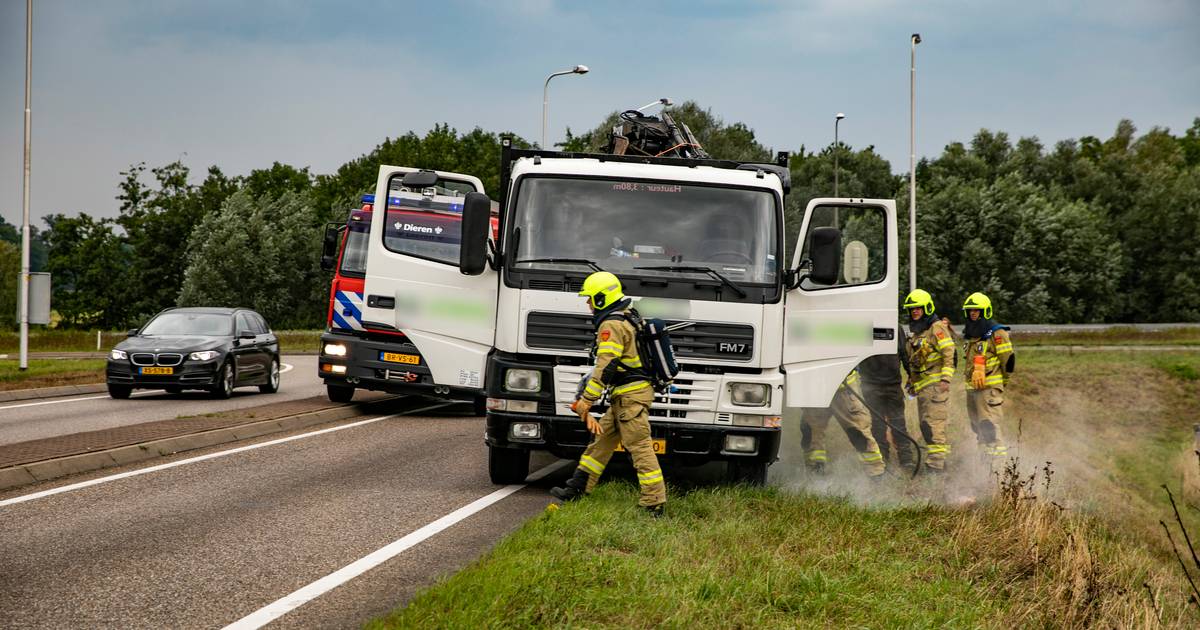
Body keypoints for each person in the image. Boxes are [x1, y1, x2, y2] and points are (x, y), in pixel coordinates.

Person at [549, 271, 667, 516]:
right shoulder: (627, 316)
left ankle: (653, 503)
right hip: (626, 395)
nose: (588, 304)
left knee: (640, 447)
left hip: (630, 396)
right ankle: (578, 489)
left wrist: (586, 400)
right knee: (601, 443)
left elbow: (607, 365)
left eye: (590, 299)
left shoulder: (611, 324)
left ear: (602, 298)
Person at [902, 289, 956, 473]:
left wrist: (945, 379)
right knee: (925, 426)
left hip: (936, 388)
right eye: (912, 309)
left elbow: (949, 353)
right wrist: (912, 381)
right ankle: (938, 463)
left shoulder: (937, 327)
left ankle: (936, 468)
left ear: (926, 308)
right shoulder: (918, 332)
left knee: (935, 426)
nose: (914, 311)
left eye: (918, 308)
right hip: (923, 388)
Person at [801, 370, 887, 478]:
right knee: (810, 431)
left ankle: (876, 474)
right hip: (816, 391)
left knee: (858, 433)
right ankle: (815, 472)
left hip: (843, 391)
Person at [961, 292, 1013, 464]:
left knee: (991, 429)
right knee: (978, 429)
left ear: (985, 311)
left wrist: (1000, 383)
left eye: (976, 310)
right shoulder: (970, 335)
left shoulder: (997, 333)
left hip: (989, 390)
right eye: (970, 311)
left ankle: (998, 471)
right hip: (973, 390)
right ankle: (984, 466)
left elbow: (1008, 360)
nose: (973, 313)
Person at [858, 326, 916, 471]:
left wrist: (912, 375)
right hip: (871, 386)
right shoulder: (862, 324)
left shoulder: (895, 326)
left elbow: (904, 353)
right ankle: (883, 459)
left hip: (893, 385)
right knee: (877, 425)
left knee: (898, 423)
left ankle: (906, 459)